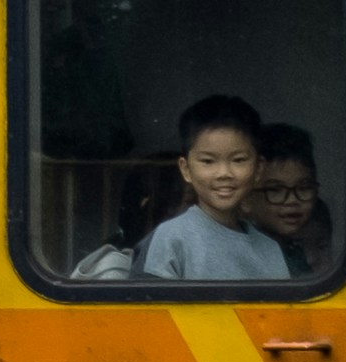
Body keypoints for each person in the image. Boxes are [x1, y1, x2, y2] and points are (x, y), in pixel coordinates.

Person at [138, 92, 295, 285]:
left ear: (258, 169)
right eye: (208, 161)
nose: (224, 173)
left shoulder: (270, 250)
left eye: (238, 160)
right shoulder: (171, 239)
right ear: (186, 169)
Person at [251, 122, 332, 276]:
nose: (292, 200)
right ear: (246, 198)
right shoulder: (242, 253)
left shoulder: (296, 252)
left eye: (304, 188)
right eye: (275, 190)